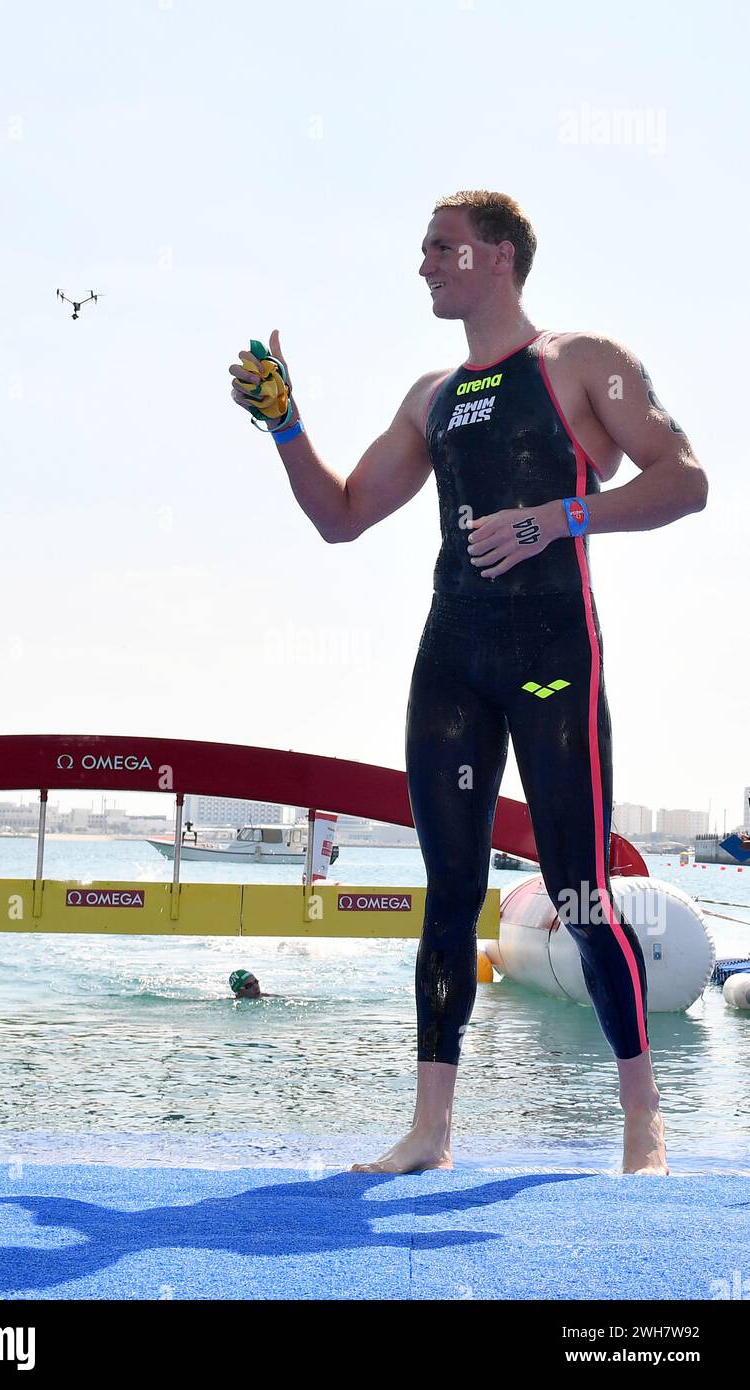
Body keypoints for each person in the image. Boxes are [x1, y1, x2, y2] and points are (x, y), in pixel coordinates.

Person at [229, 190, 707, 1176]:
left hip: (549, 657)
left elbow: (682, 478)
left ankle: (640, 1117)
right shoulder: (430, 395)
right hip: (451, 657)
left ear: (498, 256)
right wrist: (283, 422)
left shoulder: (581, 364)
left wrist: (555, 519)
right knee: (446, 894)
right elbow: (342, 513)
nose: (422, 265)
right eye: (421, 249)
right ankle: (430, 1130)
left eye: (440, 248)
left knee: (578, 889)